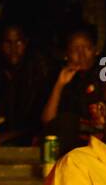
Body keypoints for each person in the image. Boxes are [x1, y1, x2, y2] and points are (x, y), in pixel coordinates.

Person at [41, 26, 101, 156]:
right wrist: (59, 85)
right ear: (66, 54)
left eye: (87, 48)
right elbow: (48, 120)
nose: (82, 54)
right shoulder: (56, 76)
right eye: (75, 49)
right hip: (67, 149)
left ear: (96, 50)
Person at [0, 23, 51, 146]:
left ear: (25, 43)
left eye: (18, 43)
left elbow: (39, 121)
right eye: (8, 43)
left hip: (30, 140)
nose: (13, 48)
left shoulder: (37, 71)